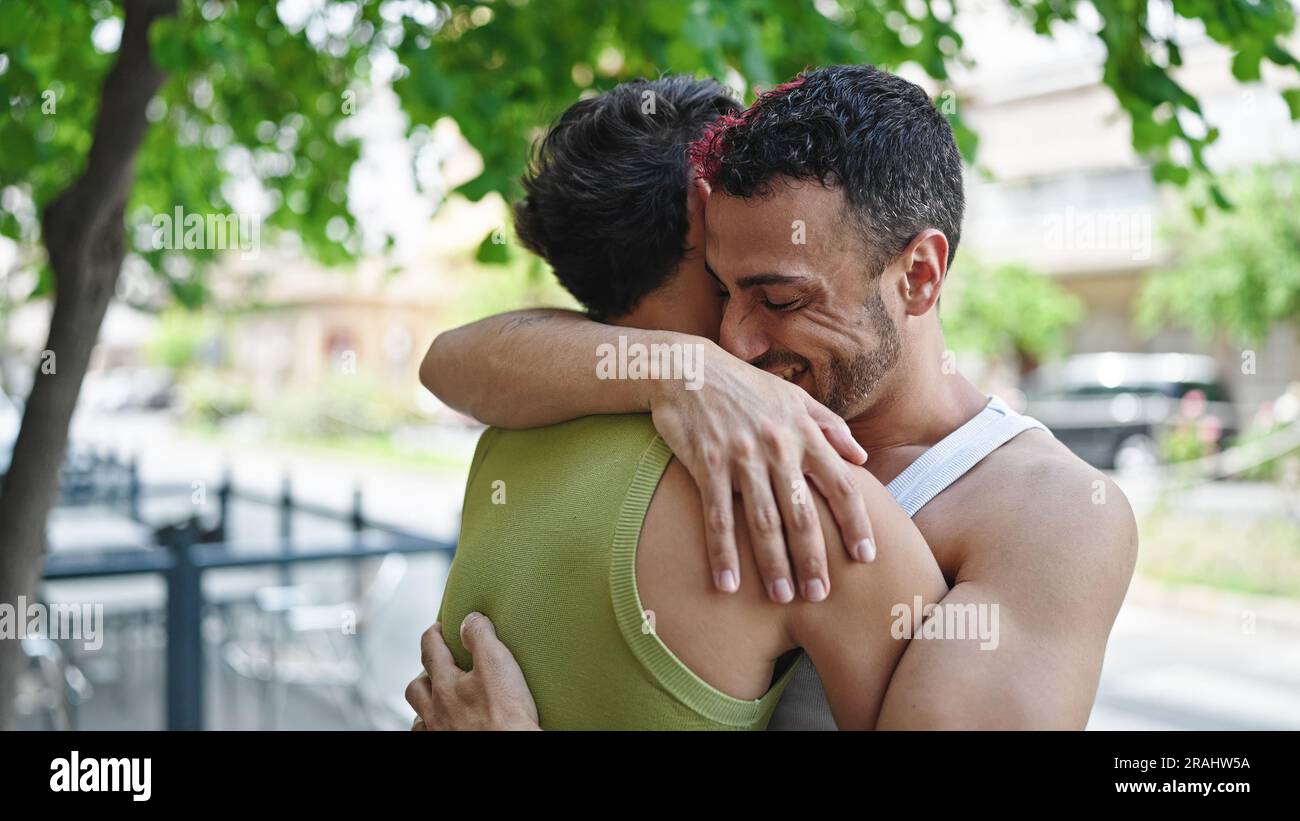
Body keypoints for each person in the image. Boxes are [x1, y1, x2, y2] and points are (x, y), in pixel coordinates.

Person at [407, 65, 1138, 730]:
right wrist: (681, 368)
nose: (737, 341)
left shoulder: (1050, 515)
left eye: (780, 298)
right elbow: (451, 360)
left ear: (919, 274)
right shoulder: (680, 402)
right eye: (722, 290)